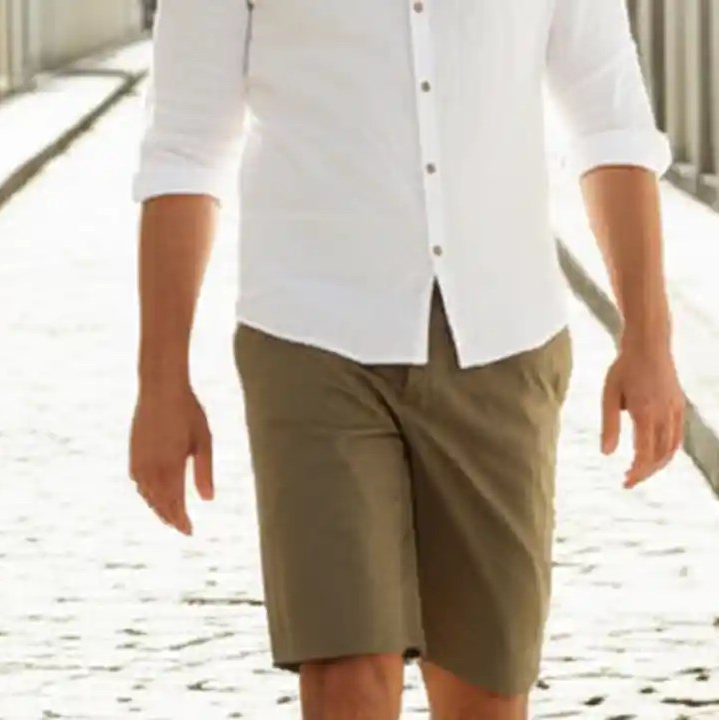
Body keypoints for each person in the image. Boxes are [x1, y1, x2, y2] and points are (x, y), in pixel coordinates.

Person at [128, 1, 685, 718]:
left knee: (484, 694)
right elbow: (183, 148)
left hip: (503, 333)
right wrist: (161, 381)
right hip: (312, 334)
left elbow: (609, 121)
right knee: (347, 678)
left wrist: (648, 337)